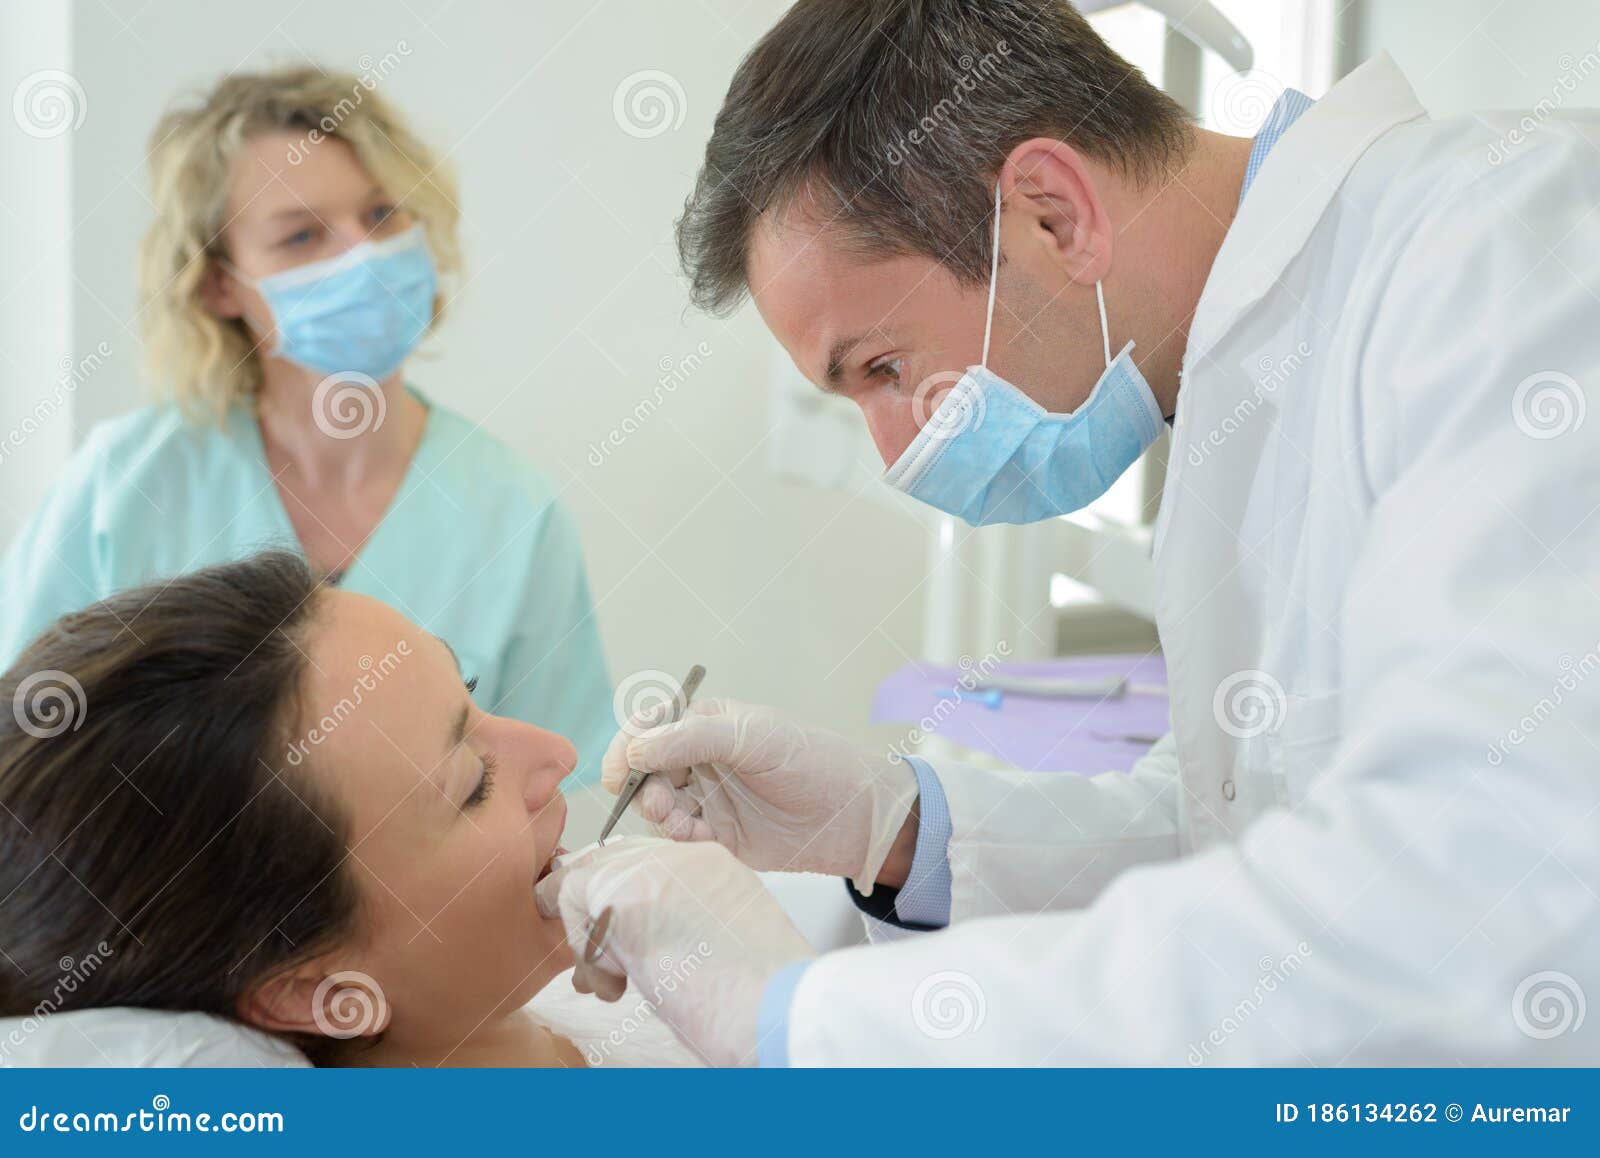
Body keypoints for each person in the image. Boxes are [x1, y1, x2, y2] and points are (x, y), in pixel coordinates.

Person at [536, 0, 1600, 1065]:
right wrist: (895, 827)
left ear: (1052, 215)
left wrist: (804, 1028)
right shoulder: (1239, 383)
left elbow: (1490, 901)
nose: (894, 449)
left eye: (885, 369)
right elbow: (1237, 827)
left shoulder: (1509, 253)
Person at [0, 66, 614, 780]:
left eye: (382, 214)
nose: (362, 255)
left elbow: (550, 784)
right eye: (301, 236)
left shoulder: (512, 512)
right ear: (219, 283)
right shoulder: (123, 487)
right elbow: (22, 757)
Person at [0, 552, 709, 1067]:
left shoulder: (682, 988)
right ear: (313, 989)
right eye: (473, 783)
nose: (557, 754)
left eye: (469, 697)